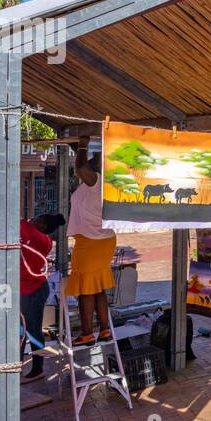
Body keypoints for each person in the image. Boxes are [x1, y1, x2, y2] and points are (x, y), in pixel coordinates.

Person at [67, 145, 116, 346]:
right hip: (104, 239)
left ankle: (87, 333)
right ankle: (104, 330)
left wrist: (83, 143)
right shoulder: (104, 184)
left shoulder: (95, 181)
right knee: (97, 287)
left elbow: (80, 167)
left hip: (90, 241)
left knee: (86, 289)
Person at [20, 213, 65, 380]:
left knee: (29, 331)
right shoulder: (47, 240)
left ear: (43, 227)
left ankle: (36, 368)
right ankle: (22, 366)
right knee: (26, 330)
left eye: (37, 219)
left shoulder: (30, 232)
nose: (33, 219)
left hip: (31, 290)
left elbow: (18, 222)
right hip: (34, 288)